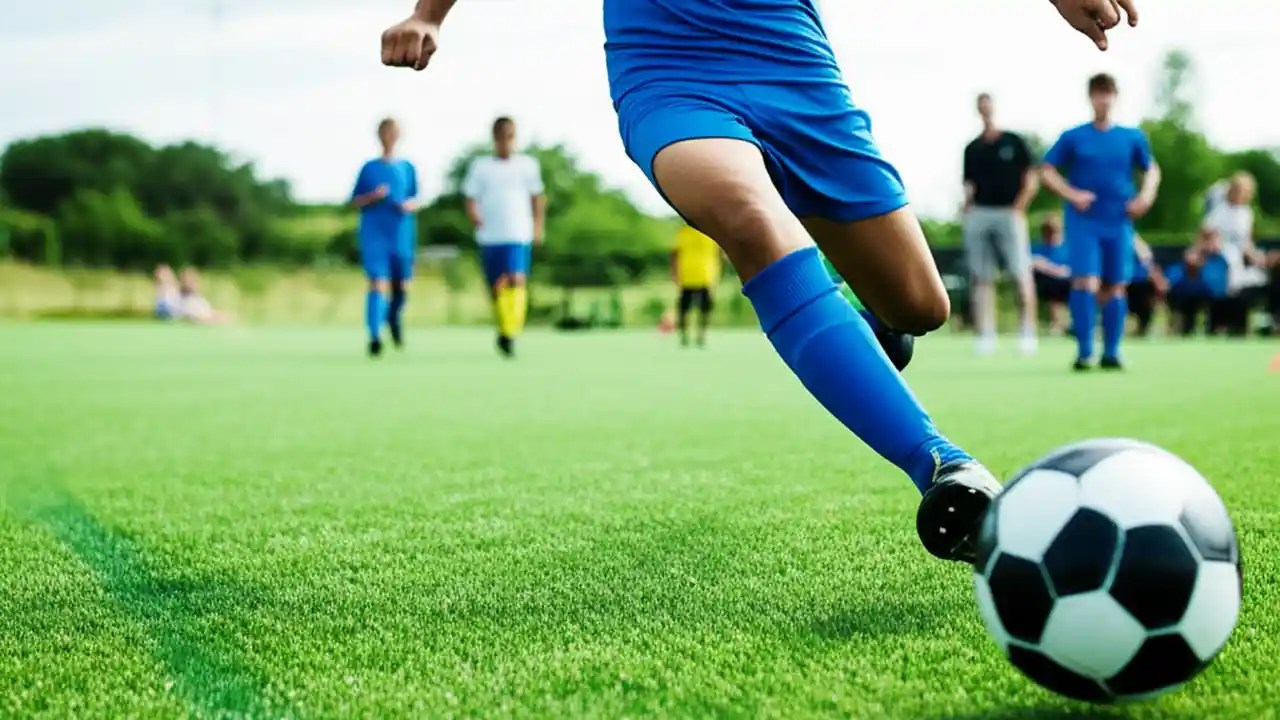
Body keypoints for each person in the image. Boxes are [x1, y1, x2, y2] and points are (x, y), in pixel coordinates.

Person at [380, 0, 1143, 564]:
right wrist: (429, 14)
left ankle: (853, 326)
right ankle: (941, 463)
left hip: (792, 60)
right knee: (750, 216)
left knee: (917, 304)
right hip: (670, 69)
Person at [1042, 73, 1161, 371]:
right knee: (1085, 281)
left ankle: (1112, 351)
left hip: (1119, 220)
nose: (1102, 99)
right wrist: (1072, 194)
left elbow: (1151, 169)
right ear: (1090, 97)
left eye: (1107, 93)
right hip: (1084, 221)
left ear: (1115, 97)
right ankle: (1084, 351)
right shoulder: (1074, 137)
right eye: (1097, 93)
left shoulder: (1132, 137)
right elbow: (1046, 170)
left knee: (1116, 285)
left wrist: (1145, 196)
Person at [962, 93, 1039, 355]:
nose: (985, 111)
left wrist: (1020, 206)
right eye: (981, 107)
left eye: (988, 106)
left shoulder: (1014, 142)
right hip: (980, 213)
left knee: (1020, 273)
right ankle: (985, 334)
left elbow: (1031, 176)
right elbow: (969, 184)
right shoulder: (972, 148)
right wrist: (967, 206)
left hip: (1010, 213)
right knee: (981, 276)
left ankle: (1027, 332)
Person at [463, 117, 546, 358]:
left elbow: (537, 198)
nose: (506, 141)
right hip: (490, 235)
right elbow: (470, 197)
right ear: (495, 137)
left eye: (510, 135)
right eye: (502, 136)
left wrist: (538, 226)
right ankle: (504, 328)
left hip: (518, 233)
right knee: (496, 287)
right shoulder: (481, 166)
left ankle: (511, 331)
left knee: (517, 279)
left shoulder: (527, 165)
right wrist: (474, 216)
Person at [351, 117, 419, 357]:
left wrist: (408, 206)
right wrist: (373, 197)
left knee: (401, 287)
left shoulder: (407, 167)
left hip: (400, 233)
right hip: (374, 232)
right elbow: (354, 200)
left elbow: (415, 198)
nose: (389, 136)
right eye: (385, 132)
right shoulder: (369, 168)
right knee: (377, 281)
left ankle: (393, 318)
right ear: (379, 135)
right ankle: (374, 336)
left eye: (393, 132)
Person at [671, 224, 721, 347]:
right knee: (684, 308)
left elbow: (720, 254)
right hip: (688, 275)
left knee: (705, 308)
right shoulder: (683, 232)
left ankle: (701, 335)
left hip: (705, 275)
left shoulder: (711, 231)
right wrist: (675, 272)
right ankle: (684, 335)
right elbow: (676, 254)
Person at [1031, 216, 1072, 335]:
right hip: (1046, 283)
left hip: (1068, 282)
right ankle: (1056, 323)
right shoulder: (1037, 248)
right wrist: (1049, 268)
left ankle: (1072, 324)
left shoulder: (1069, 248)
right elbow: (1031, 261)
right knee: (1050, 286)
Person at [1127, 235, 1166, 337]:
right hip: (1125, 281)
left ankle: (1143, 328)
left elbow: (1147, 259)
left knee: (1144, 306)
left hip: (1141, 282)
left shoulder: (1134, 238)